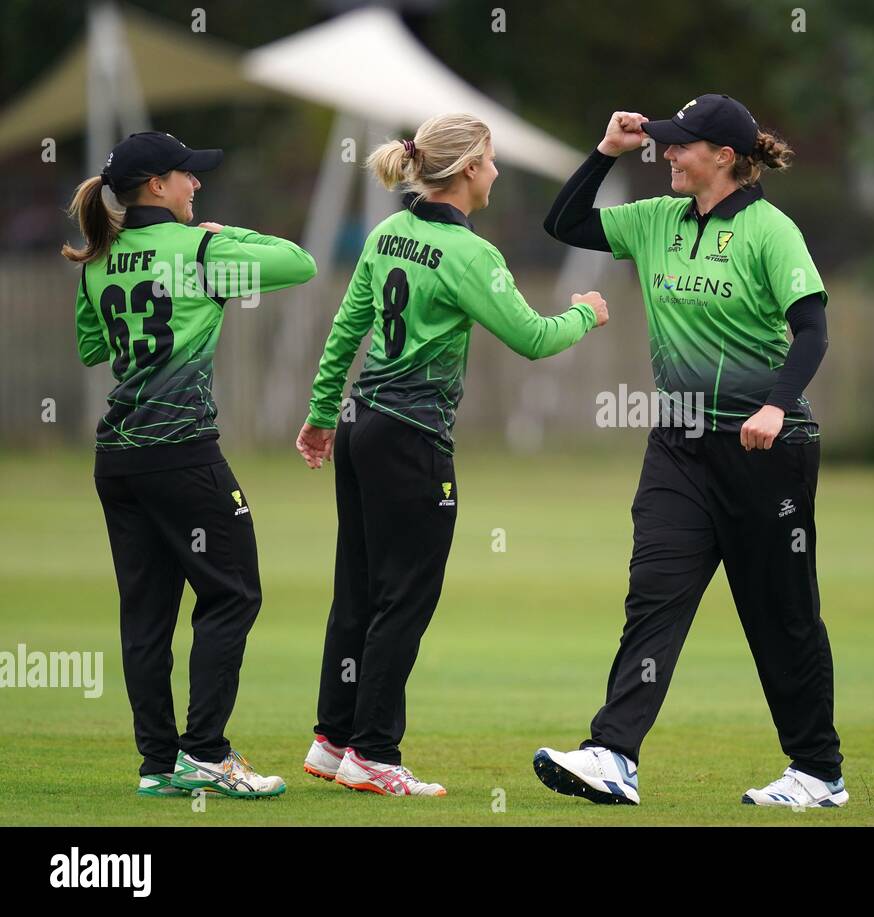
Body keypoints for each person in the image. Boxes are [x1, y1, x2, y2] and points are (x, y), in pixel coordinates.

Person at [533, 94, 844, 808]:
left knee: (782, 614)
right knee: (654, 599)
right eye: (665, 144)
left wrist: (775, 403)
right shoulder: (655, 221)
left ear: (725, 158)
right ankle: (612, 753)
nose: (666, 154)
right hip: (677, 447)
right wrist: (606, 150)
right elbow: (563, 222)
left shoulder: (772, 231)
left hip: (767, 451)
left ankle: (818, 771)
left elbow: (813, 332)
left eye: (680, 146)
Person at [296, 113, 608, 797]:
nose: (495, 171)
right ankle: (373, 752)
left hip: (360, 426)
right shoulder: (472, 256)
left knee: (357, 588)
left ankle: (332, 737)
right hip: (410, 441)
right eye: (491, 160)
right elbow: (532, 337)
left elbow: (348, 327)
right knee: (403, 598)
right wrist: (586, 311)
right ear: (468, 169)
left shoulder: (388, 232)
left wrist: (322, 415)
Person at [65, 131, 318, 798]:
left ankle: (157, 763)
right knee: (233, 592)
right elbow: (299, 264)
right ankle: (205, 751)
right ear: (156, 186)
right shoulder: (201, 250)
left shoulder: (97, 260)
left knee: (145, 614)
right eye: (186, 175)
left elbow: (93, 346)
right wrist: (219, 235)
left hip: (117, 461)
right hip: (181, 454)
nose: (195, 184)